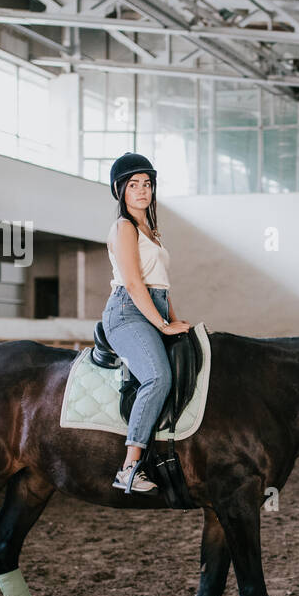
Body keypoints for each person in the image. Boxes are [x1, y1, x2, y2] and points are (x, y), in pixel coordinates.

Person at [100, 152, 192, 493]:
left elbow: (160, 284)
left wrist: (173, 317)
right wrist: (163, 325)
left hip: (153, 306)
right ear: (120, 190)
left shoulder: (152, 230)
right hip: (127, 311)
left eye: (148, 184)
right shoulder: (123, 227)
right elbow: (136, 284)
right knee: (157, 376)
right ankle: (129, 467)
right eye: (134, 185)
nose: (142, 191)